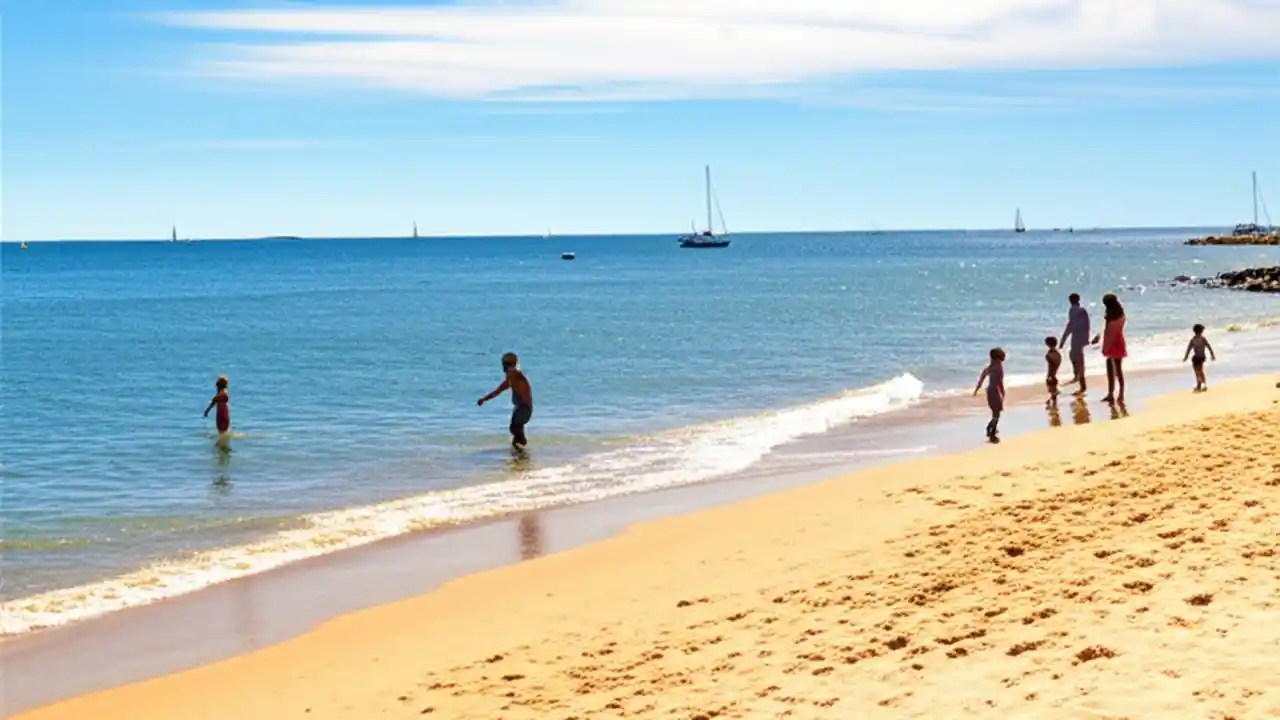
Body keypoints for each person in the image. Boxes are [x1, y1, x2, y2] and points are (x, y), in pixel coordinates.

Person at [478, 352, 534, 448]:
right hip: (520, 408)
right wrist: (484, 399)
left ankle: (521, 452)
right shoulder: (512, 378)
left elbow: (516, 378)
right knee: (515, 431)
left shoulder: (514, 375)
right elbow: (498, 391)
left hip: (523, 408)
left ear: (504, 365)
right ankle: (521, 457)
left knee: (515, 429)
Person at [1059, 293, 1091, 395]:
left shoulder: (1074, 310)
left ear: (1070, 301)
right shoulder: (1082, 310)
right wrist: (1086, 338)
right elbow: (1087, 324)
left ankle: (1080, 379)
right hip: (1081, 336)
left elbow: (1070, 325)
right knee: (1076, 356)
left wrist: (1063, 339)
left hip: (1077, 336)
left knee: (1076, 358)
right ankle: (1079, 378)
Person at [973, 347, 1006, 443]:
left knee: (994, 411)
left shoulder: (989, 368)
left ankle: (991, 428)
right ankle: (991, 430)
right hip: (995, 391)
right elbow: (1000, 382)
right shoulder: (999, 368)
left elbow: (982, 378)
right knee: (997, 414)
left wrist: (977, 389)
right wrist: (1003, 392)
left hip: (989, 391)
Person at [1098, 293, 1127, 405]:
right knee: (1118, 369)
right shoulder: (1121, 315)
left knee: (1112, 369)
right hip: (1119, 341)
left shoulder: (1109, 317)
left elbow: (1108, 332)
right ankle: (1119, 393)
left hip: (1112, 342)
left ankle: (1112, 393)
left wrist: (1105, 347)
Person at [1183, 324, 1216, 392]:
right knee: (1197, 372)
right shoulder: (1193, 339)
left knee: (1200, 371)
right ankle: (1199, 384)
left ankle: (1204, 384)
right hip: (1196, 358)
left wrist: (1212, 355)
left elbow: (1208, 346)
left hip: (1201, 357)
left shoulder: (1202, 339)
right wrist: (1186, 356)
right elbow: (1189, 348)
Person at [1044, 336, 1062, 406]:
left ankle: (1053, 402)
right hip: (1053, 371)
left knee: (1051, 386)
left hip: (1051, 371)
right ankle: (1052, 399)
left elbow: (1051, 363)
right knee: (1051, 387)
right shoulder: (1056, 352)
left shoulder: (1052, 353)